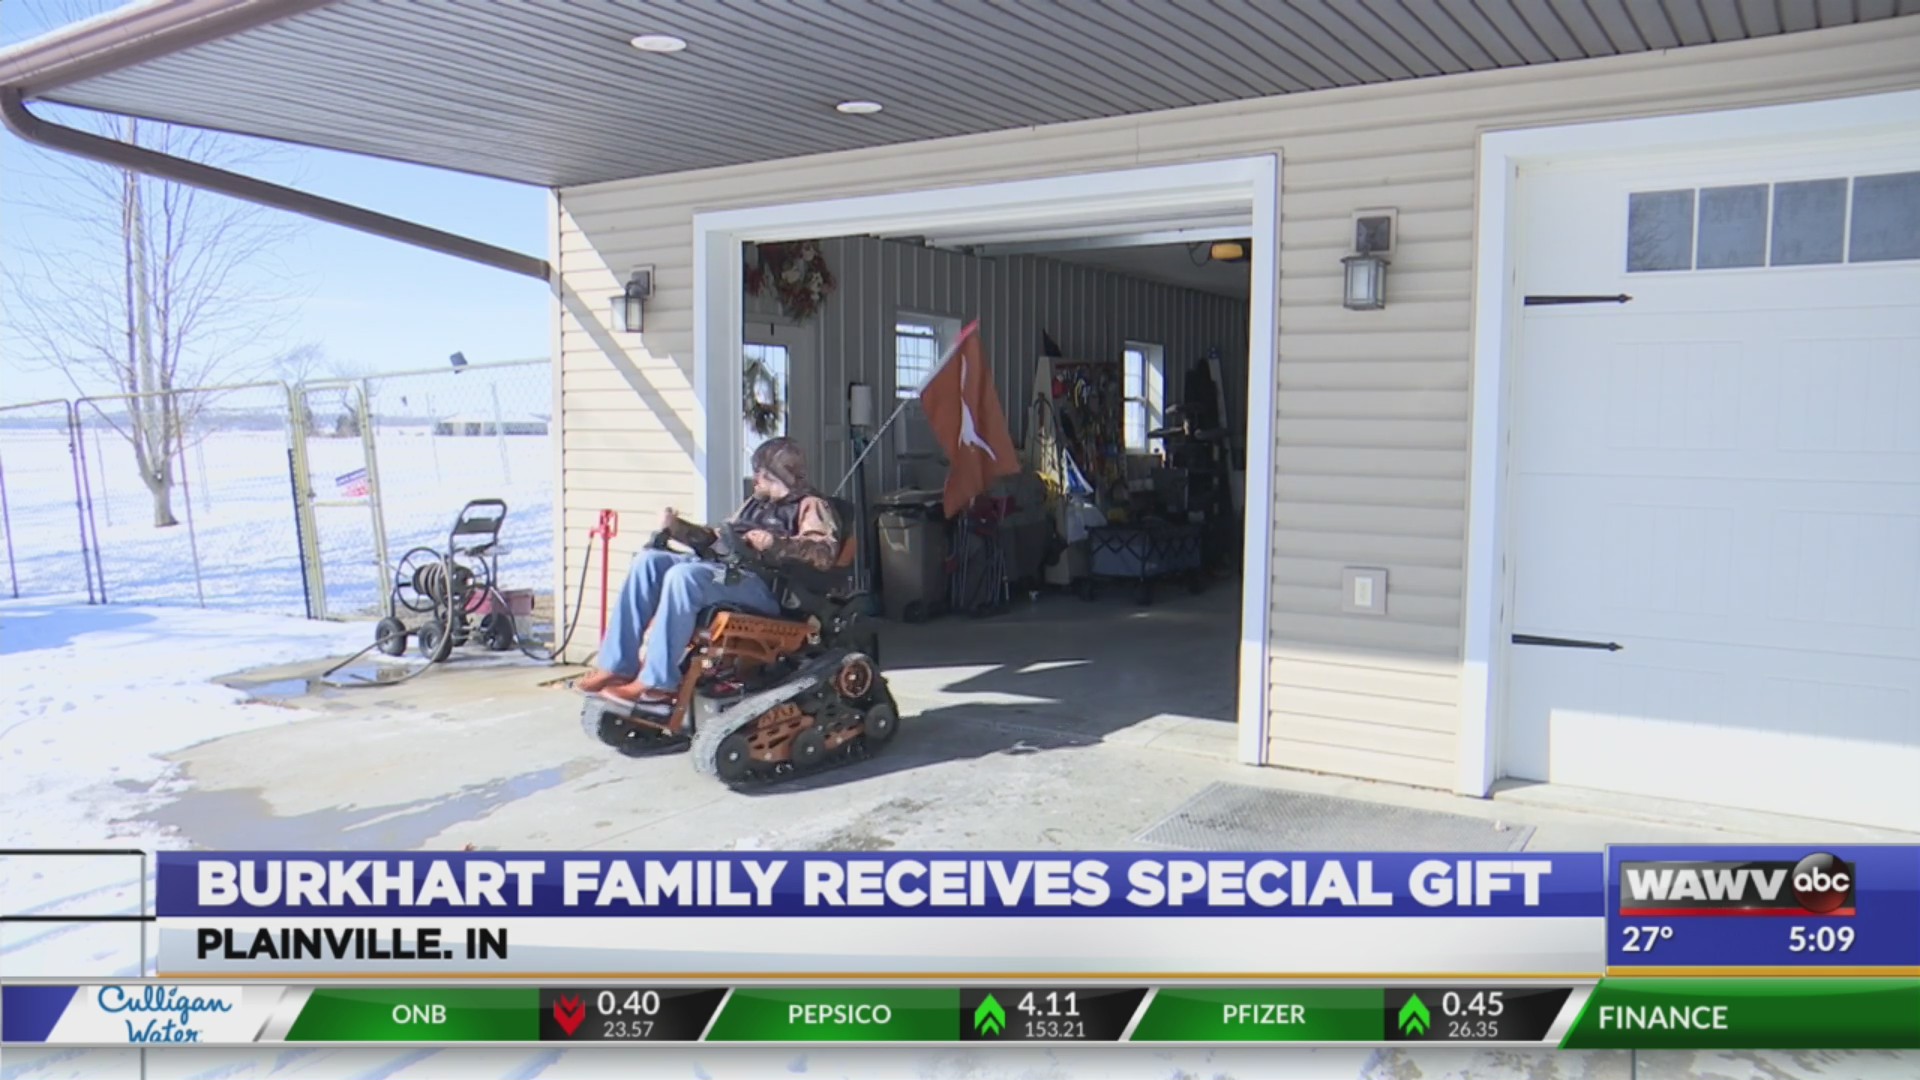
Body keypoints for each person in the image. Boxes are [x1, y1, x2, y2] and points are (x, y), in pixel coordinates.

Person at [577, 437, 842, 712]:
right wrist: (676, 527)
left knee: (685, 577)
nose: (756, 480)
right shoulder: (755, 503)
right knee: (649, 561)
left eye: (761, 474)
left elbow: (824, 552)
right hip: (725, 572)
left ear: (779, 475)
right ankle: (617, 665)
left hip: (764, 585)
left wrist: (775, 543)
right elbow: (718, 538)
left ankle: (658, 682)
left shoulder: (811, 505)